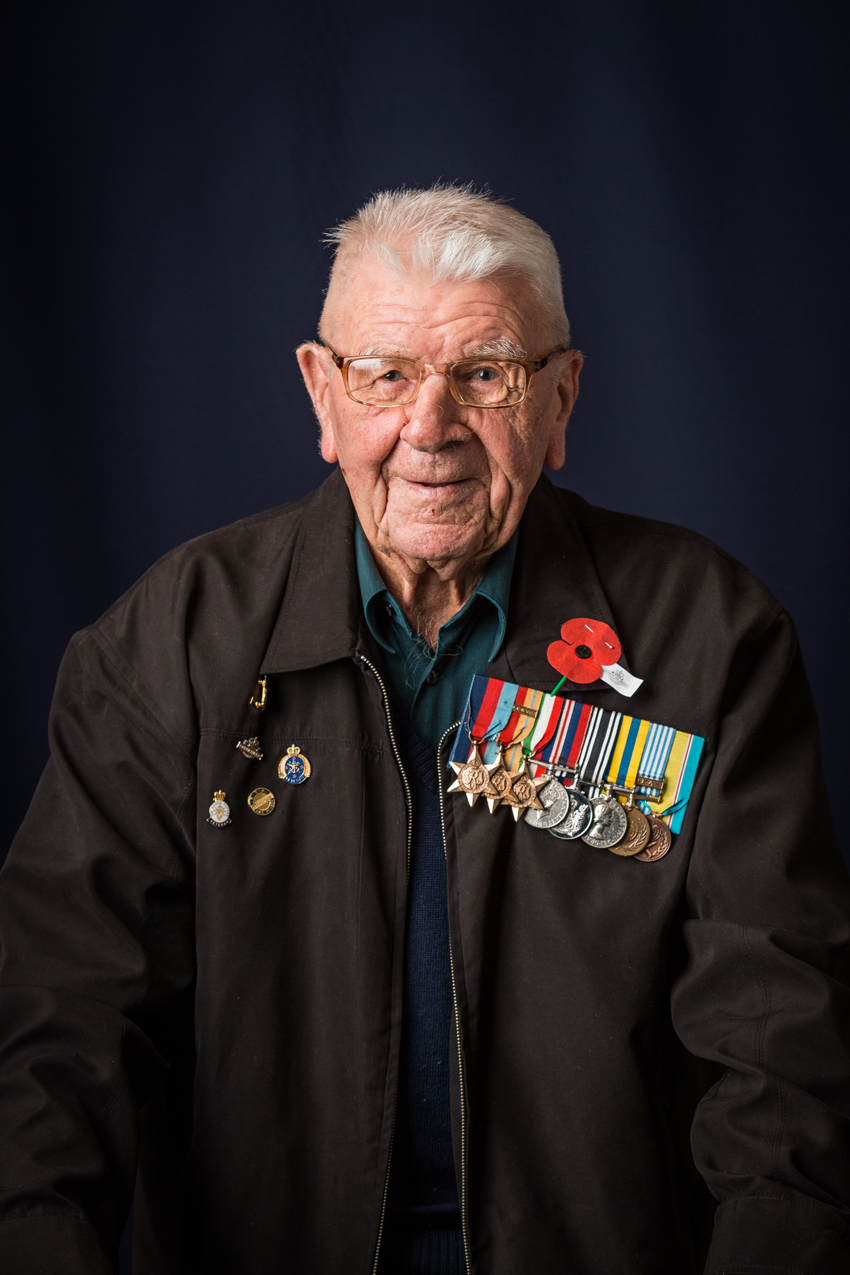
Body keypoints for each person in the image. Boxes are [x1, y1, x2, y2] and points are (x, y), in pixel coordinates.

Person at [0, 184, 848, 1275]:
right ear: (323, 393)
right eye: (385, 375)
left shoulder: (708, 636)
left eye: (483, 374)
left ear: (559, 398)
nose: (429, 428)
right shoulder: (169, 643)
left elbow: (779, 1031)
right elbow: (59, 1023)